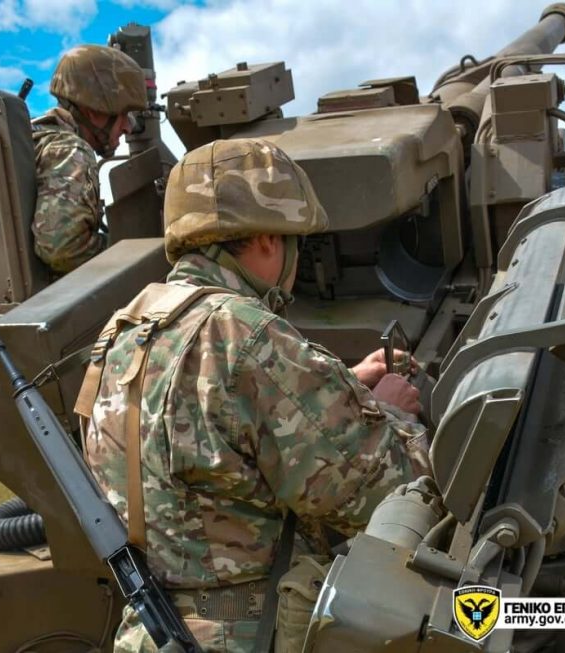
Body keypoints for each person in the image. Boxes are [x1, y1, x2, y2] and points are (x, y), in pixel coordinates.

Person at [78, 138, 431, 652]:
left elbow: (204, 432)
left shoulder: (123, 332)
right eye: (294, 241)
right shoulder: (246, 336)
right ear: (267, 238)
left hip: (150, 635)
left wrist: (342, 387)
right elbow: (386, 490)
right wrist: (391, 410)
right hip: (249, 634)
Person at [31, 45, 147, 275]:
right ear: (94, 110)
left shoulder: (33, 138)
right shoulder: (70, 149)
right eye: (123, 114)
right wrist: (124, 252)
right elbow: (63, 251)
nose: (127, 127)